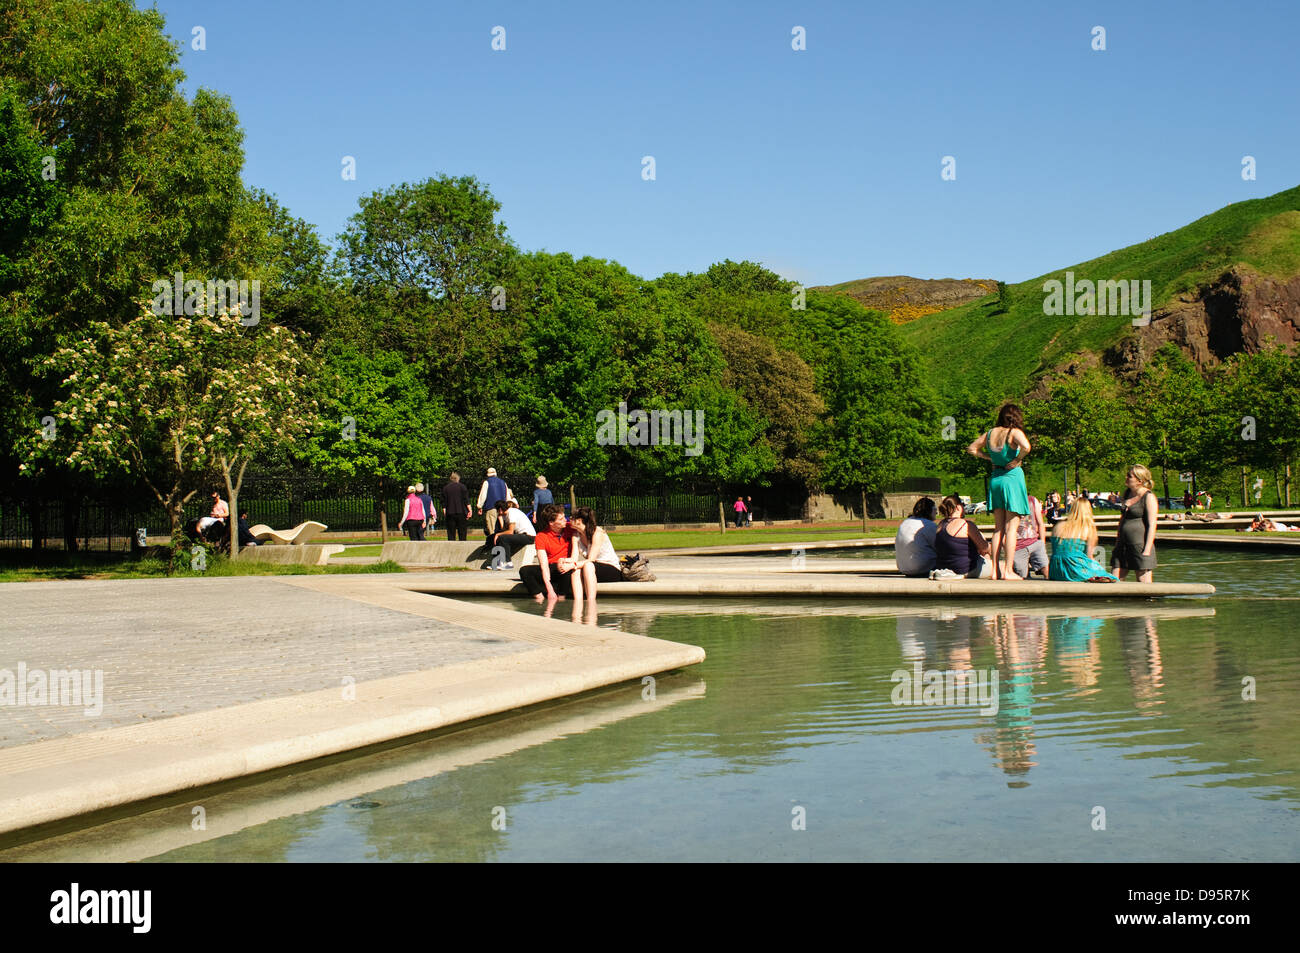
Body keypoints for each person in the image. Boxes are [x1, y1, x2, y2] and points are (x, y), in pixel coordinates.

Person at [967, 403, 1032, 580]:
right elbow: (1027, 447)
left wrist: (989, 457)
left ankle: (995, 570)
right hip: (1012, 478)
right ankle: (1008, 571)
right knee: (1012, 528)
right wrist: (1016, 460)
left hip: (996, 478)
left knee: (998, 529)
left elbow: (972, 448)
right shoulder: (1014, 432)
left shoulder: (990, 433)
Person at [519, 504, 580, 602]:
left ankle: (561, 599)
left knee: (566, 569)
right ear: (551, 522)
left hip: (565, 567)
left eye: (564, 517)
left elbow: (587, 527)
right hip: (551, 568)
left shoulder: (570, 528)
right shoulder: (541, 536)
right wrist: (549, 589)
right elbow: (544, 564)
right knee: (525, 571)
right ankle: (540, 598)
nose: (565, 520)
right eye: (561, 519)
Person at [1048, 498, 1117, 582]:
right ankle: (1094, 577)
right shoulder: (1088, 527)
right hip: (1074, 568)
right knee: (1107, 575)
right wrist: (1099, 568)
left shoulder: (1058, 525)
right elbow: (1090, 556)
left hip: (1055, 570)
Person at [1111, 465, 1158, 583]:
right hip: (1123, 544)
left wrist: (1147, 549)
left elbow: (1152, 525)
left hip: (1139, 545)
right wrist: (1117, 542)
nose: (1126, 477)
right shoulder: (1127, 494)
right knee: (1114, 580)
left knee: (1143, 582)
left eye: (1129, 476)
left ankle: (1145, 602)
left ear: (1139, 480)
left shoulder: (1149, 497)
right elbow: (1123, 519)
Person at [570, 506, 624, 599]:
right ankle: (578, 601)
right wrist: (564, 562)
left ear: (578, 520)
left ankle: (591, 601)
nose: (569, 519)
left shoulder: (597, 533)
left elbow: (591, 559)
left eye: (571, 517)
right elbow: (573, 558)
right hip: (593, 568)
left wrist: (573, 564)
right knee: (576, 570)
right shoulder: (576, 535)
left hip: (611, 568)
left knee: (588, 565)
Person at [933, 494, 992, 578]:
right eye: (963, 506)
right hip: (965, 569)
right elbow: (984, 547)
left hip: (944, 567)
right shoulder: (966, 525)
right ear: (958, 508)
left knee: (984, 556)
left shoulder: (940, 525)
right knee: (1002, 568)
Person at [895, 497, 939, 577]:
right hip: (924, 568)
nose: (936, 512)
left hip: (903, 567)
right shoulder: (928, 525)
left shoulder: (905, 523)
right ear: (930, 510)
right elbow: (939, 547)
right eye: (935, 509)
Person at [486, 500, 536, 569]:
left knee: (503, 538)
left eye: (497, 510)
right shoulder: (505, 515)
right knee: (495, 537)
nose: (497, 512)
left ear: (500, 509)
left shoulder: (512, 513)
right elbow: (504, 530)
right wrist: (500, 520)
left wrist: (498, 535)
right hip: (521, 535)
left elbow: (510, 532)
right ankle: (497, 562)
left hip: (529, 536)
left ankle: (508, 563)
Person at [1013, 494, 1049, 579]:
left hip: (1035, 542)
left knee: (1047, 570)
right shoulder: (1010, 501)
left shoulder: (1032, 500)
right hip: (1018, 546)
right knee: (1022, 576)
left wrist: (1042, 543)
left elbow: (1040, 523)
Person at [477, 467, 514, 535]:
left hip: (491, 507)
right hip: (503, 508)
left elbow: (483, 495)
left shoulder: (487, 482)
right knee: (503, 528)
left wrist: (479, 506)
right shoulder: (503, 482)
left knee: (492, 529)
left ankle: (493, 542)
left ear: (488, 474)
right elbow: (508, 496)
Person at [441, 471, 471, 541]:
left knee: (451, 532)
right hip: (461, 511)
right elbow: (466, 500)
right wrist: (470, 510)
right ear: (458, 479)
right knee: (462, 531)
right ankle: (462, 544)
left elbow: (443, 502)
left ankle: (451, 546)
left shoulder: (446, 488)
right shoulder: (462, 487)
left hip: (450, 512)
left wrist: (444, 511)